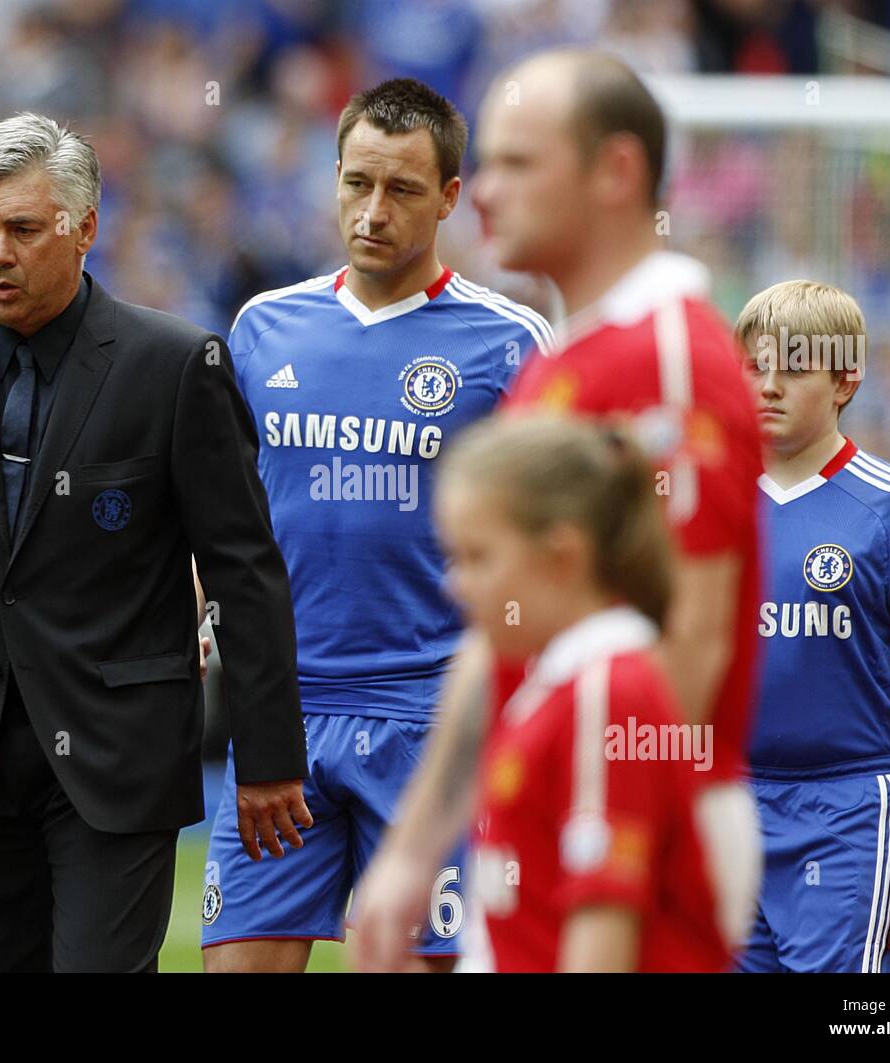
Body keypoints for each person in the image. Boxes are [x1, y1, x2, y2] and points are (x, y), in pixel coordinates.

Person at [0, 112, 309, 973]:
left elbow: (243, 572)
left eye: (23, 230)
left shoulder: (178, 365)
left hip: (116, 760)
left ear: (85, 229)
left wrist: (266, 757)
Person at [352, 48, 762, 970]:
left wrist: (593, 829)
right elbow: (497, 627)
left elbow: (693, 637)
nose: (483, 192)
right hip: (546, 811)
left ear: (616, 172)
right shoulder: (556, 357)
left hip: (620, 837)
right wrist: (417, 846)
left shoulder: (667, 359)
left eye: (516, 163)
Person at [200, 78, 553, 973]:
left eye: (401, 190)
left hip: (432, 716)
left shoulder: (511, 345)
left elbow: (552, 538)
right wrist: (196, 609)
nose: (372, 210)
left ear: (450, 198)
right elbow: (220, 512)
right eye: (357, 183)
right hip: (282, 713)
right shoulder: (262, 329)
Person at [427, 412, 729, 971]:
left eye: (478, 558)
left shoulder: (606, 693)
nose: (455, 584)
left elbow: (603, 934)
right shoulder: (552, 683)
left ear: (561, 558)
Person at [734, 280, 890, 973]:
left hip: (851, 810)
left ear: (846, 380)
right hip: (731, 804)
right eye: (756, 366)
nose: (770, 386)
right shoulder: (709, 501)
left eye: (795, 367)